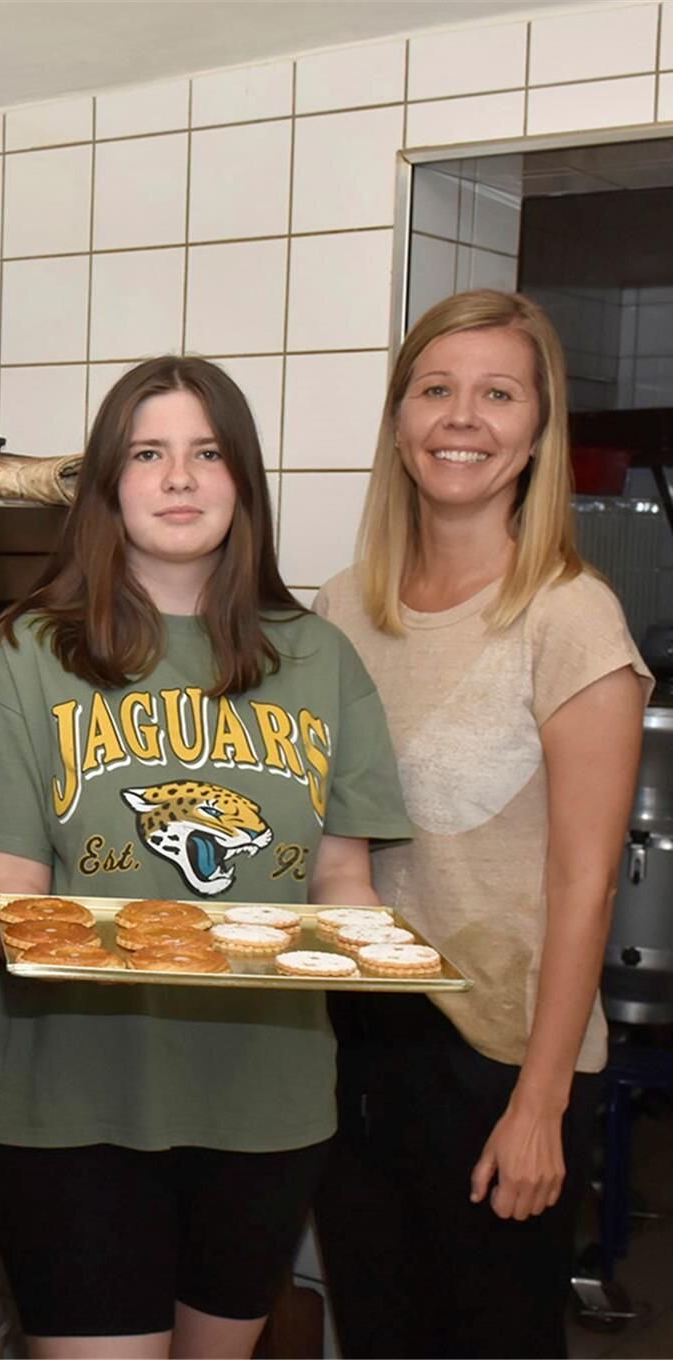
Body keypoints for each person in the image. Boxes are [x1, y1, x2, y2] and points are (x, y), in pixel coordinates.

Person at [0, 356, 411, 1359]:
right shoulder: (25, 660)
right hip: (72, 1106)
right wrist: (133, 942)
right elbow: (5, 898)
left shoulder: (320, 661)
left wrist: (380, 947)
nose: (179, 478)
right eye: (149, 453)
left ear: (242, 482)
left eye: (207, 453)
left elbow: (341, 879)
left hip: (265, 1104)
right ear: (109, 485)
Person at [312, 289, 648, 1357]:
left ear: (539, 429)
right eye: (437, 390)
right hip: (360, 1046)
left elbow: (584, 883)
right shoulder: (342, 606)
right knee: (376, 1333)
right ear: (400, 419)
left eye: (499, 394)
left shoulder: (569, 615)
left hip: (504, 1053)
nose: (463, 418)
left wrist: (542, 1103)